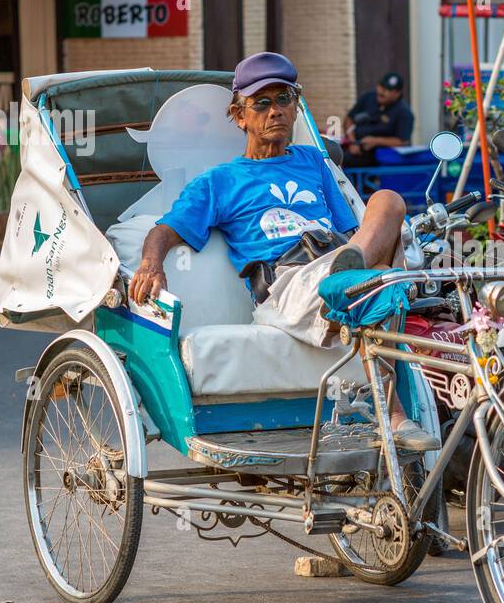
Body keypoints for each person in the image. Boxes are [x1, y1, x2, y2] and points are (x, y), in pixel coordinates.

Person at [128, 51, 436, 450]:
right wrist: (151, 264)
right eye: (262, 103)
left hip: (337, 260)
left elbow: (354, 231)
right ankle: (391, 408)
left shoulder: (313, 161)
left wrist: (368, 251)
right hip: (287, 281)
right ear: (240, 116)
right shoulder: (219, 180)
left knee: (390, 201)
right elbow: (164, 230)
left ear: (296, 106)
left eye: (285, 99)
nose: (276, 111)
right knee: (373, 274)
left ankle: (355, 282)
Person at [344, 72, 414, 166]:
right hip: (352, 147)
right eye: (381, 86)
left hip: (378, 156)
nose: (382, 91)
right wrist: (352, 141)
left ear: (397, 93)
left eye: (388, 89)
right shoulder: (368, 97)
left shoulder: (404, 112)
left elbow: (402, 141)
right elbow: (349, 119)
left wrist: (376, 141)